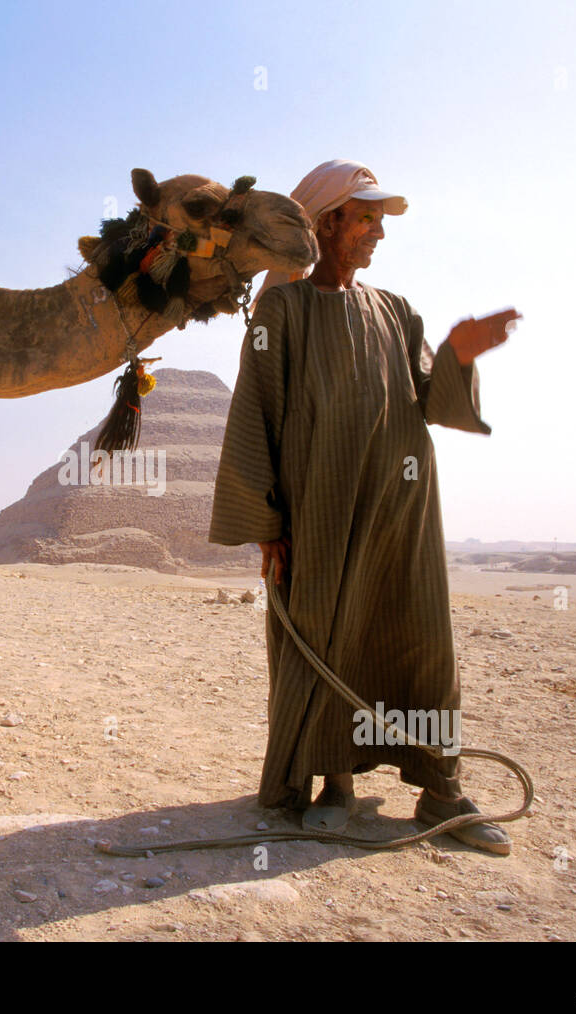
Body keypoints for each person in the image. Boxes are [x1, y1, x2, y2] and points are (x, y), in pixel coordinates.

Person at [208, 159, 521, 855]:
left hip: (402, 513)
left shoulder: (397, 311)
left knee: (423, 646)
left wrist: (462, 356)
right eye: (367, 217)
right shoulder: (281, 312)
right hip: (320, 511)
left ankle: (441, 789)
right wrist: (267, 524)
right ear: (326, 223)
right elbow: (255, 411)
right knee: (326, 639)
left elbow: (432, 400)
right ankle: (336, 782)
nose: (379, 231)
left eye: (381, 219)